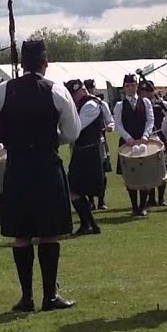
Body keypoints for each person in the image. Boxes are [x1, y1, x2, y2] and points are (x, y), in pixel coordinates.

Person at [0, 40, 80, 312]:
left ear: (21, 64)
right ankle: (49, 296)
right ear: (45, 63)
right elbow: (72, 132)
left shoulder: (4, 90)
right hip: (46, 165)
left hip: (16, 167)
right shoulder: (57, 90)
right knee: (49, 233)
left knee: (22, 234)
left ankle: (26, 297)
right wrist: (51, 139)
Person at [65, 79, 103, 236]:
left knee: (75, 189)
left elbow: (77, 127)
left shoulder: (90, 105)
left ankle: (89, 224)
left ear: (81, 91)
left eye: (74, 94)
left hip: (89, 153)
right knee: (74, 189)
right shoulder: (81, 105)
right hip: (81, 152)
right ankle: (90, 224)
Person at [113, 74, 155, 217]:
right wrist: (128, 138)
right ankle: (134, 206)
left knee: (144, 174)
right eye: (127, 86)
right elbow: (118, 124)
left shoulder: (145, 102)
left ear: (137, 86)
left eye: (133, 85)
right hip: (127, 142)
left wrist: (145, 136)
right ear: (124, 87)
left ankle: (143, 206)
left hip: (143, 140)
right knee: (130, 175)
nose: (130, 88)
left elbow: (150, 120)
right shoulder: (119, 105)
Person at [139, 80, 167, 207]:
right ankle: (151, 198)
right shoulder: (141, 105)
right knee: (149, 169)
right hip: (147, 138)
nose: (145, 94)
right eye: (142, 92)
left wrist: (164, 107)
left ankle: (161, 197)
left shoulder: (162, 104)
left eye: (147, 92)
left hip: (160, 137)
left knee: (163, 167)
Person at [86, 79, 112, 210]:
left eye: (92, 88)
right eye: (88, 88)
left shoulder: (101, 104)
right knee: (87, 171)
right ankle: (90, 200)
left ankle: (101, 200)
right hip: (84, 142)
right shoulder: (80, 104)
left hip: (100, 140)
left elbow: (110, 121)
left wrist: (110, 127)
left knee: (102, 171)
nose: (91, 91)